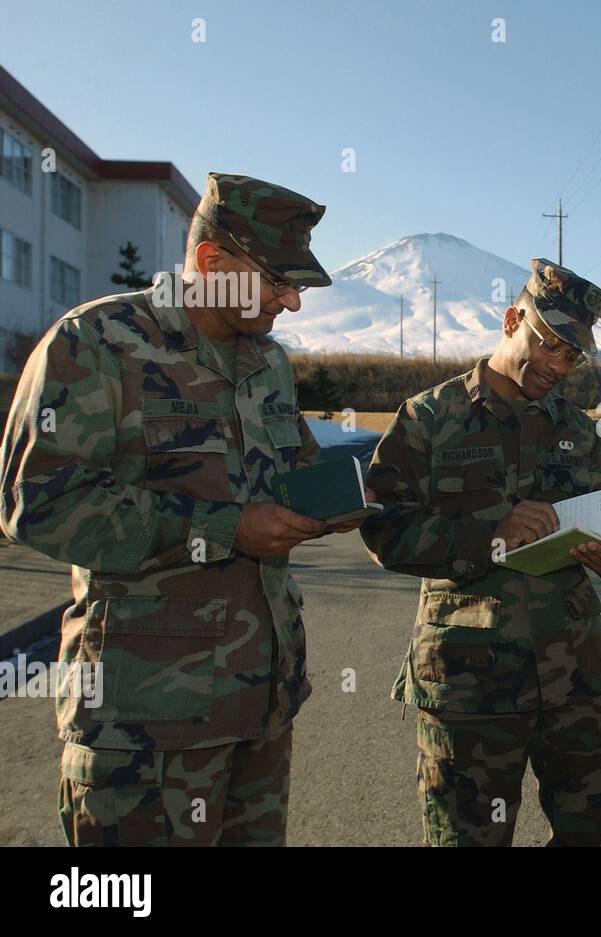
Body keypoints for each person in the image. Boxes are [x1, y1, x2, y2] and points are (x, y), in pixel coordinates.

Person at [0, 172, 352, 845]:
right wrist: (223, 528)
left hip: (260, 711)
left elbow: (296, 469)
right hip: (145, 730)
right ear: (213, 263)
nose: (293, 302)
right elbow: (34, 502)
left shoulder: (267, 361)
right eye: (280, 279)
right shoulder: (99, 344)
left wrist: (348, 499)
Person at [362, 258, 601, 846]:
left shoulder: (578, 429)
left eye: (573, 356)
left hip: (576, 677)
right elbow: (384, 528)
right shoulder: (430, 418)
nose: (559, 366)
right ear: (513, 318)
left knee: (595, 830)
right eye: (550, 346)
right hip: (470, 684)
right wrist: (492, 530)